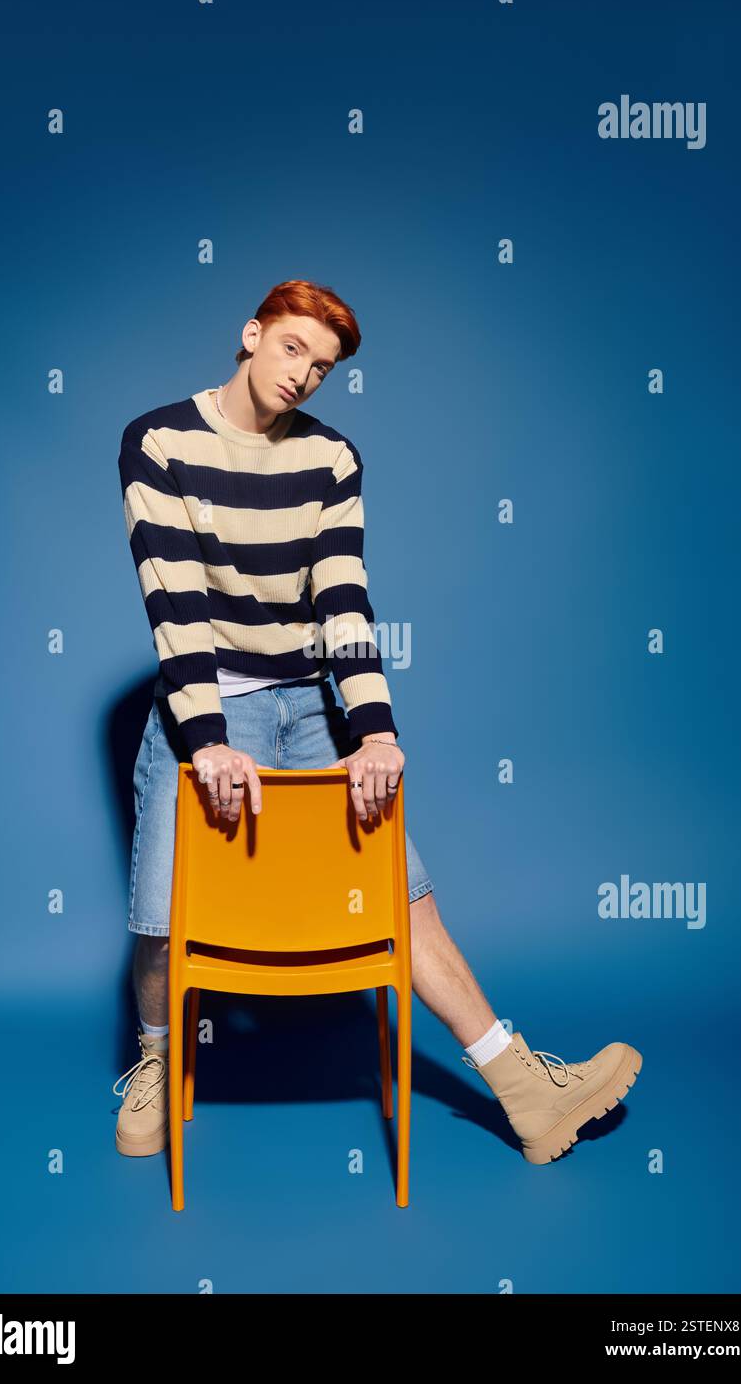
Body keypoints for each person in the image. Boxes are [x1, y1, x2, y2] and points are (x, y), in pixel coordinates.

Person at [112, 279, 642, 1168]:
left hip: (313, 697)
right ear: (251, 335)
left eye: (321, 367)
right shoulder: (158, 440)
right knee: (165, 916)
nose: (303, 376)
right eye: (291, 350)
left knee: (404, 894)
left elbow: (344, 604)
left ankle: (522, 1090)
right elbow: (175, 602)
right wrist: (206, 742)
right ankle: (157, 1067)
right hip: (209, 700)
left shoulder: (333, 459)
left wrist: (374, 733)